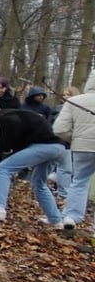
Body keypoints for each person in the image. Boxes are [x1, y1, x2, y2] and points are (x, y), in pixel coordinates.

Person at [0, 105, 66, 226]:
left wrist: (11, 147)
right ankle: (56, 220)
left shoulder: (4, 117)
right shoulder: (13, 115)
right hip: (58, 147)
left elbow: (14, 130)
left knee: (1, 169)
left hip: (43, 145)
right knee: (39, 183)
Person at [52, 71, 95, 232]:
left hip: (81, 148)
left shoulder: (75, 101)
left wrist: (75, 139)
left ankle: (71, 216)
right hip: (82, 145)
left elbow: (59, 129)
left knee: (79, 182)